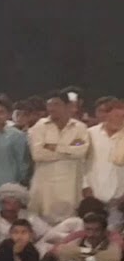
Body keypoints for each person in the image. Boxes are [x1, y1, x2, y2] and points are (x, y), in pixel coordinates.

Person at [28, 91, 90, 223]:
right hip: (44, 186)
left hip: (70, 186)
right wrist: (69, 149)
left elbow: (81, 150)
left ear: (67, 106)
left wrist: (54, 147)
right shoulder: (39, 127)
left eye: (56, 104)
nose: (52, 108)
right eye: (49, 105)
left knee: (69, 227)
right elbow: (38, 154)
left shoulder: (80, 128)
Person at [0, 94, 30, 212]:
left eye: (1, 112)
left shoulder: (16, 136)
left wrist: (19, 185)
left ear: (9, 115)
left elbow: (22, 164)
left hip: (7, 186)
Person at [83, 97, 124, 225]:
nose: (120, 119)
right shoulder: (88, 134)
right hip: (92, 197)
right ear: (107, 115)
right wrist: (84, 187)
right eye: (116, 116)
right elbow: (79, 161)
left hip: (119, 201)